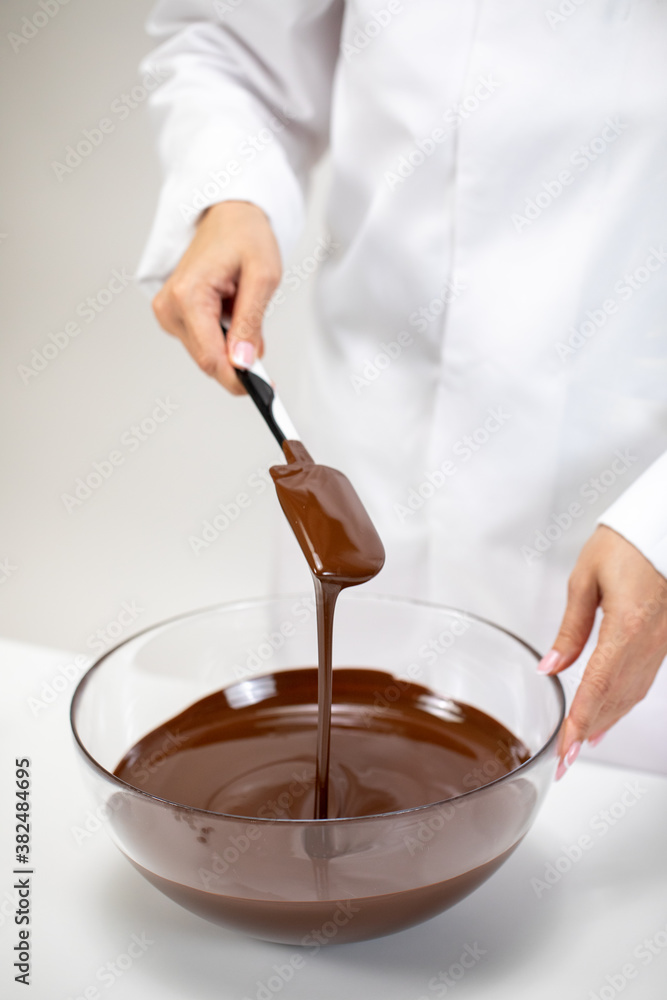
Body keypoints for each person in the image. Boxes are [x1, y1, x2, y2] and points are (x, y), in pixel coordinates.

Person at [136, 1, 667, 779]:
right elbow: (230, 41)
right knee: (334, 803)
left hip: (616, 511)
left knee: (589, 859)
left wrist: (658, 522)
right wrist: (230, 192)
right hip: (370, 445)